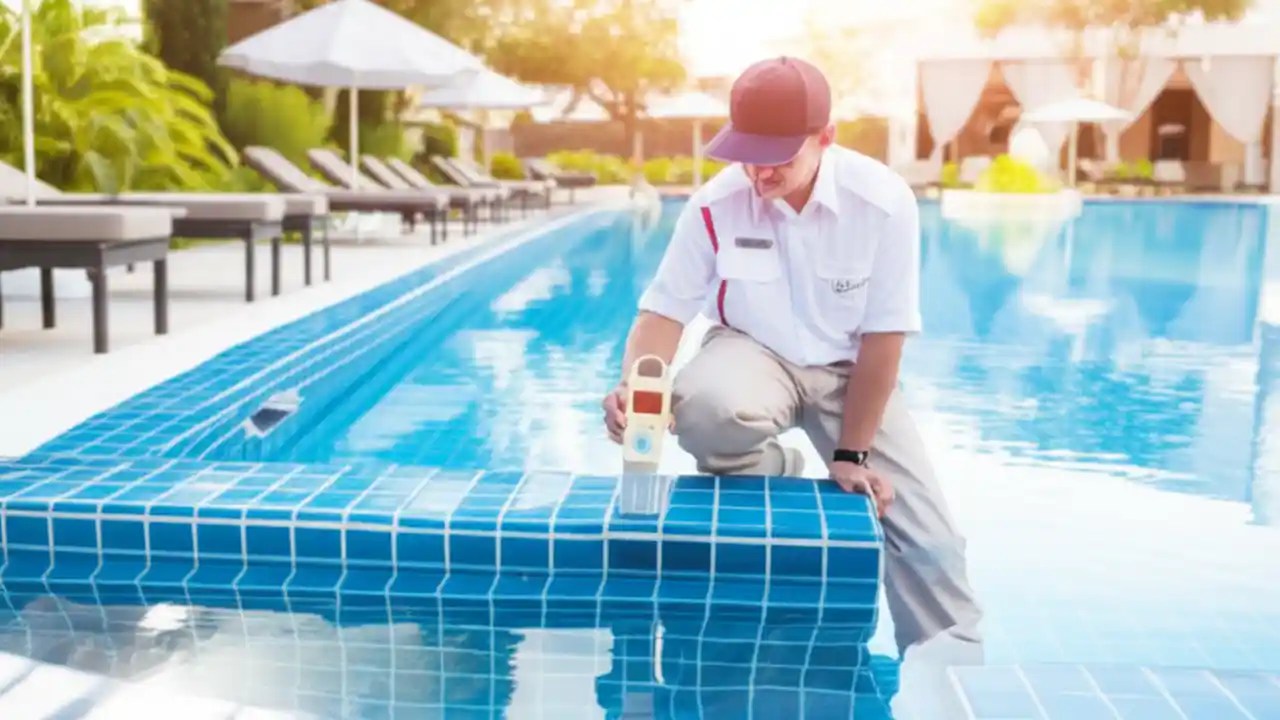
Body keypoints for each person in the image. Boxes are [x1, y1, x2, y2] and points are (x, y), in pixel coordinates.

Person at [601, 56, 983, 655]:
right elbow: (664, 312)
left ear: (825, 138)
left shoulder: (882, 202)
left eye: (775, 154)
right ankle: (778, 468)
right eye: (746, 152)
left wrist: (853, 453)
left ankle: (950, 669)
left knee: (931, 545)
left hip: (851, 372)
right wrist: (631, 388)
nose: (757, 170)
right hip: (752, 353)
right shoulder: (714, 203)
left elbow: (884, 340)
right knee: (703, 408)